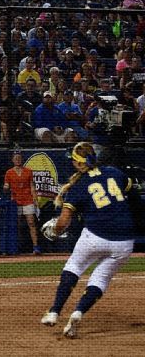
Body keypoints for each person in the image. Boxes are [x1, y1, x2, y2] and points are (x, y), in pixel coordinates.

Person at [40, 142, 139, 338]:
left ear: (78, 164)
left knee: (74, 266)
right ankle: (78, 312)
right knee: (100, 279)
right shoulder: (114, 172)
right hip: (125, 240)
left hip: (95, 235)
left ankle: (54, 311)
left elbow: (63, 222)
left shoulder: (78, 186)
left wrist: (55, 231)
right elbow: (133, 194)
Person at [3, 152, 41, 254]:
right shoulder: (9, 173)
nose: (18, 160)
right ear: (12, 160)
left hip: (28, 200)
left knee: (31, 223)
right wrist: (6, 188)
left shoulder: (28, 171)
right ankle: (15, 248)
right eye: (16, 158)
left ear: (22, 159)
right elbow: (6, 185)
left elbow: (32, 186)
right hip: (16, 202)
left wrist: (35, 199)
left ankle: (36, 247)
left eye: (19, 158)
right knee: (17, 225)